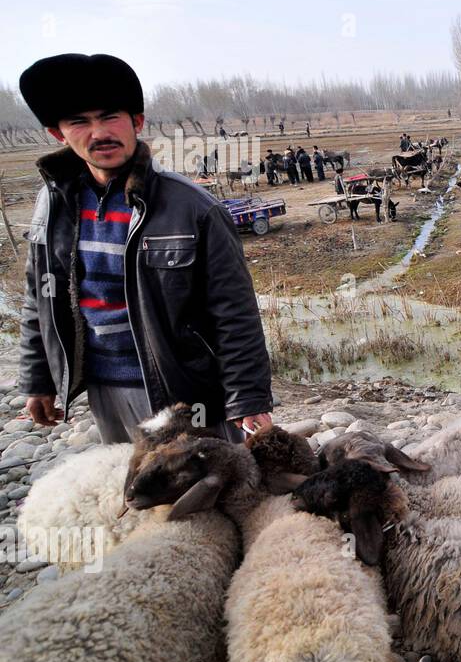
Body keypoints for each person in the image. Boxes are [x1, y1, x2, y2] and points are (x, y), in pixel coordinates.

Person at [16, 53, 273, 444]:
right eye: (80, 122)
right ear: (58, 134)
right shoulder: (53, 207)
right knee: (138, 491)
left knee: (203, 494)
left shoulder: (193, 208)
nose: (99, 132)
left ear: (137, 121)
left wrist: (248, 399)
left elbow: (234, 312)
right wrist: (38, 378)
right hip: (104, 388)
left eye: (110, 117)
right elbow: (40, 299)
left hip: (182, 391)